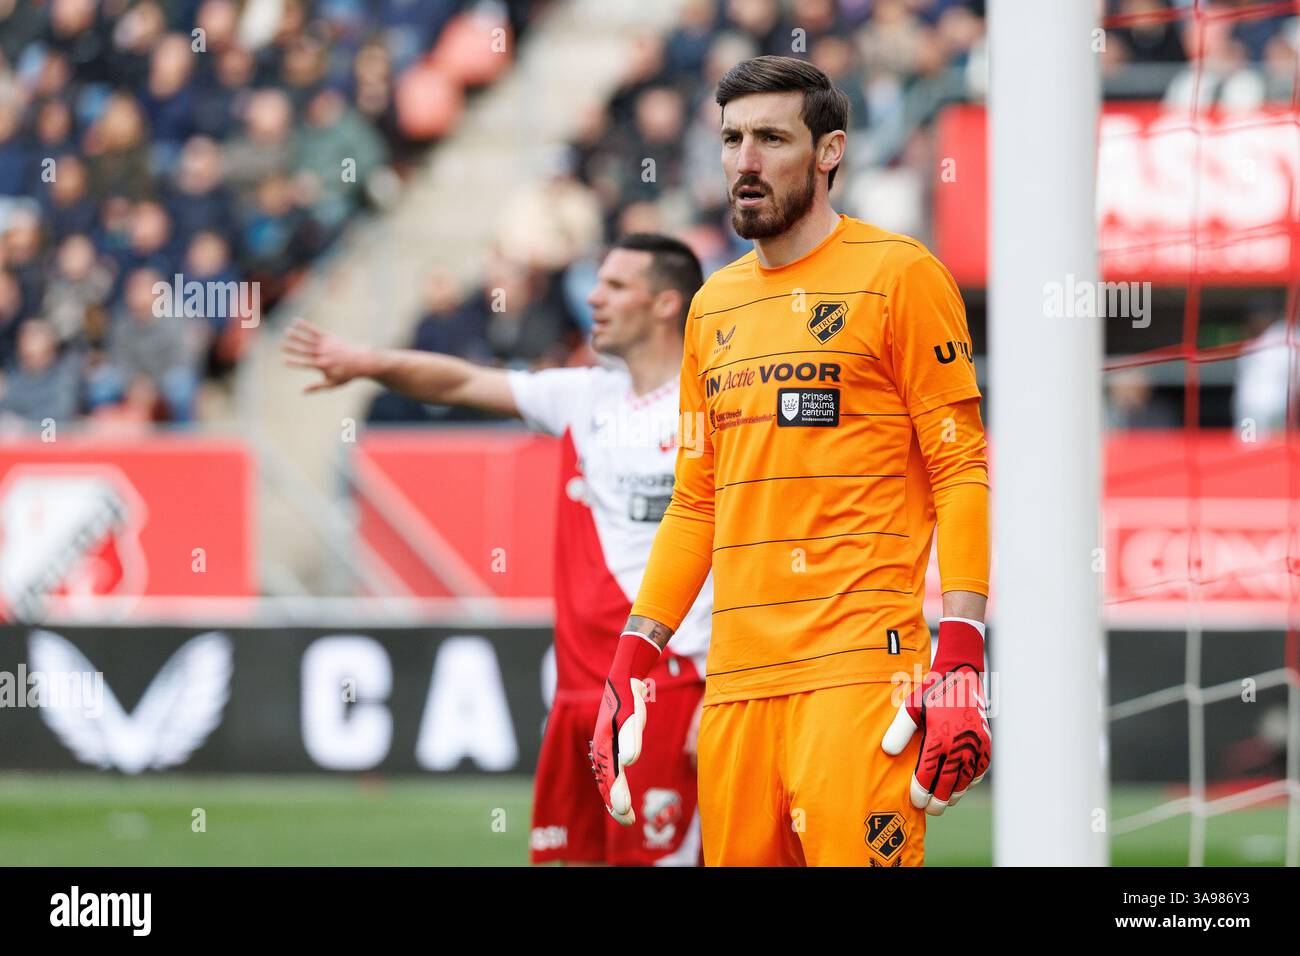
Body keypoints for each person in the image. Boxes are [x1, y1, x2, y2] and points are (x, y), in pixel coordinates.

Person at [589, 55, 991, 867]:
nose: (745, 160)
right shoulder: (712, 307)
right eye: (733, 138)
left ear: (829, 152)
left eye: (772, 138)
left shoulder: (901, 277)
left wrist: (960, 654)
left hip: (860, 679)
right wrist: (633, 655)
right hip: (736, 686)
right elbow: (697, 499)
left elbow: (960, 470)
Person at [283, 234, 712, 866]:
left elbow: (739, 555)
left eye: (617, 286)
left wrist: (720, 696)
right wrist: (368, 363)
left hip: (668, 693)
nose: (593, 297)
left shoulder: (707, 410)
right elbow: (460, 380)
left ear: (666, 304)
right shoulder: (583, 397)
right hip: (577, 701)